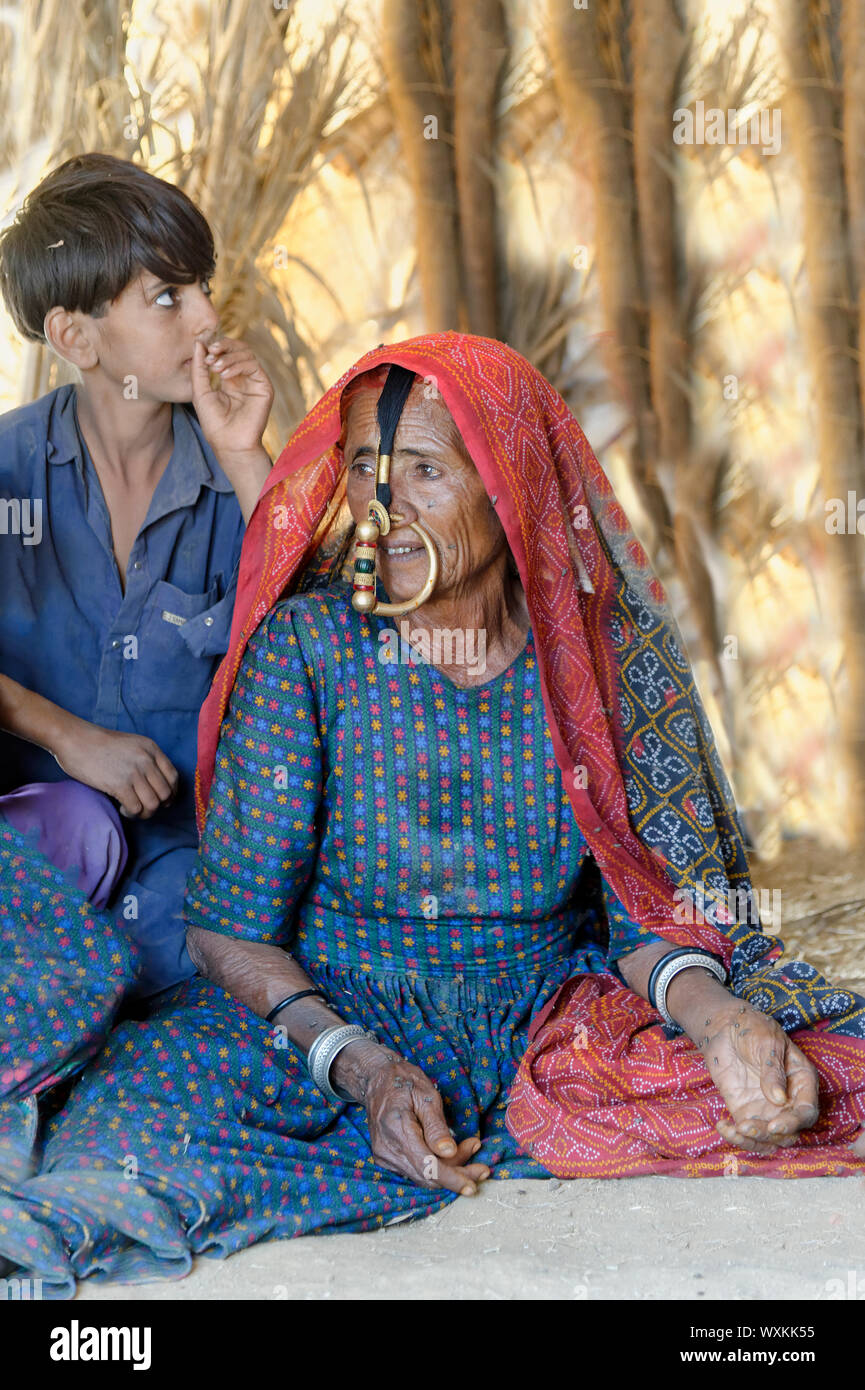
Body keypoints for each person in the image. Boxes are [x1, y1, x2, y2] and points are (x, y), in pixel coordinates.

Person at [0, 333, 863, 1296]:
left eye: (422, 470)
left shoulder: (593, 661)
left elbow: (646, 914)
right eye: (365, 467)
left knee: (807, 1077)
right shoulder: (310, 647)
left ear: (508, 483)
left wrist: (719, 1024)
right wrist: (359, 1067)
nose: (380, 506)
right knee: (136, 1133)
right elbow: (229, 932)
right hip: (338, 1011)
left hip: (547, 1019)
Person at [0, 153, 273, 996]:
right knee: (72, 833)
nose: (206, 318)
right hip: (28, 847)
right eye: (168, 297)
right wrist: (67, 737)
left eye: (202, 287)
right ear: (76, 336)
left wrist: (245, 459)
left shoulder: (240, 476)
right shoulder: (8, 469)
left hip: (182, 870)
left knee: (190, 943)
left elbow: (321, 652)